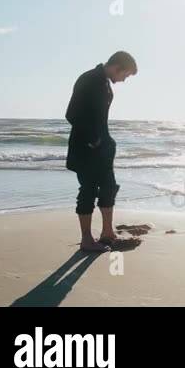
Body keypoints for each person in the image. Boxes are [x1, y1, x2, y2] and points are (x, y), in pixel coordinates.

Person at [65, 51, 137, 252]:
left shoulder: (104, 82)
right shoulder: (88, 79)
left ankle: (107, 232)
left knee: (109, 187)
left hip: (103, 148)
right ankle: (86, 240)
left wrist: (106, 141)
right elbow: (71, 114)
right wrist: (93, 140)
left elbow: (98, 118)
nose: (124, 80)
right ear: (117, 67)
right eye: (126, 75)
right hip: (85, 148)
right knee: (88, 191)